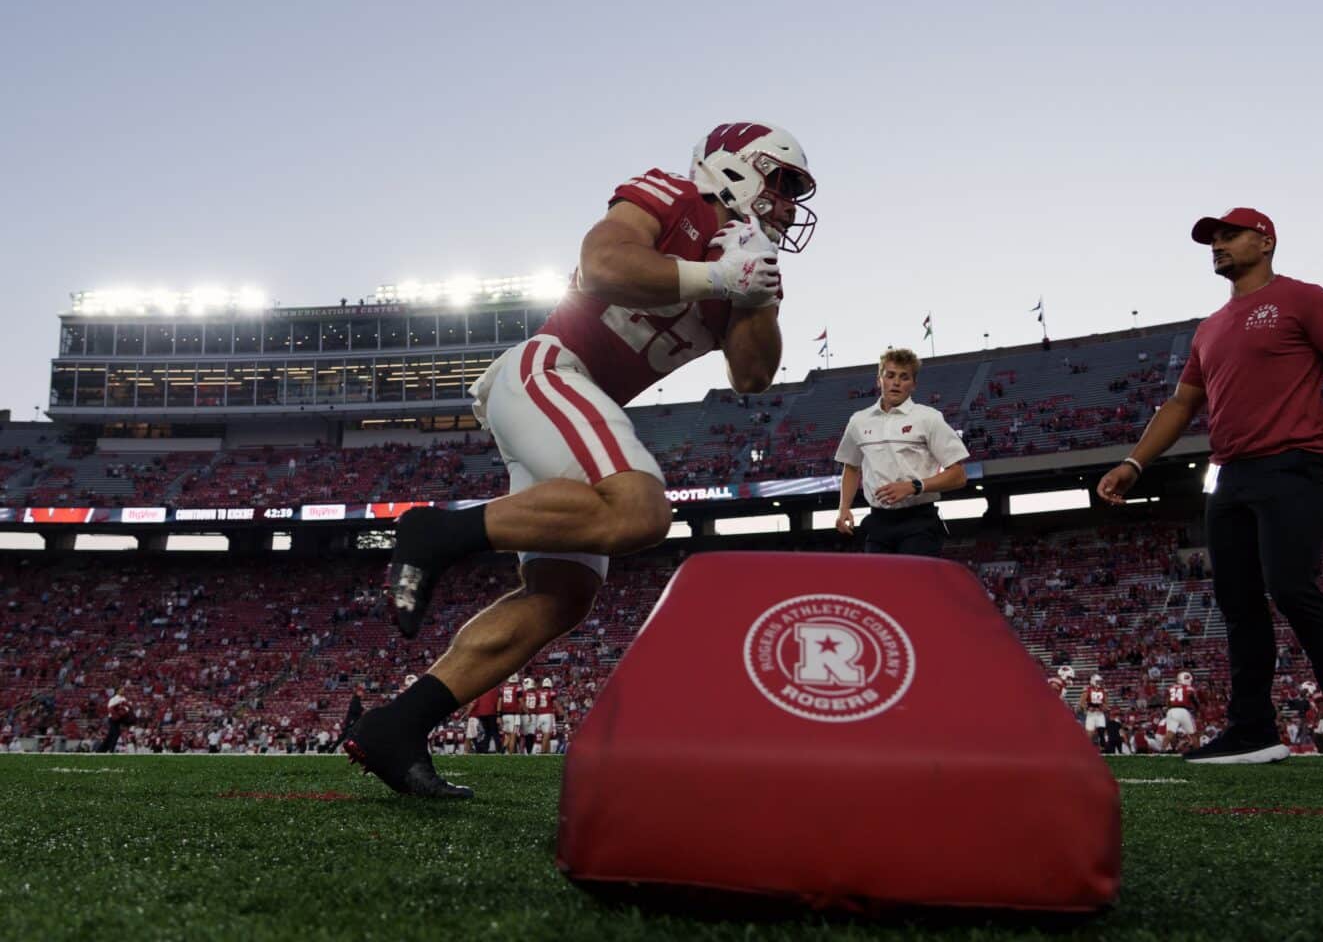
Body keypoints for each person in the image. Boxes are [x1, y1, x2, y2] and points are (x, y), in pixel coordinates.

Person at [345, 123, 816, 797]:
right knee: (640, 510)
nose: (790, 206)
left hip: (572, 396)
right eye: (784, 184)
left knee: (560, 598)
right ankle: (436, 532)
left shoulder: (743, 263)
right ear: (737, 170)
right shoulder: (674, 196)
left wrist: (754, 295)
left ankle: (399, 725)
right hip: (551, 368)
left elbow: (752, 375)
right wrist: (715, 272)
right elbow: (603, 265)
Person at [1096, 206, 1323, 771]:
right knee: (1237, 604)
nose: (1217, 245)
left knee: (1290, 586)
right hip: (1231, 473)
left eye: (1229, 235)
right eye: (1213, 239)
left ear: (1265, 240)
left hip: (1298, 462)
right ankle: (1253, 730)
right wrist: (1134, 463)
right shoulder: (1209, 328)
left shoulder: (1303, 298)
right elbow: (1182, 404)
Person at [834, 348, 969, 555]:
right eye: (890, 375)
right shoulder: (858, 421)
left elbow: (958, 475)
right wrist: (844, 507)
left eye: (904, 377)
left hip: (919, 522)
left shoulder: (928, 418)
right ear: (879, 380)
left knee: (915, 586)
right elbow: (851, 467)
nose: (896, 382)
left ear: (913, 384)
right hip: (878, 523)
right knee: (878, 588)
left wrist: (914, 486)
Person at [95, 686, 133, 753]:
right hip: (113, 718)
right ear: (117, 691)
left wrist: (125, 711)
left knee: (110, 735)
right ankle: (111, 750)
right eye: (121, 689)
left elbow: (126, 708)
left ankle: (100, 750)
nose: (123, 690)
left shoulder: (124, 698)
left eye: (123, 689)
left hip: (119, 719)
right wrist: (116, 715)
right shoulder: (114, 699)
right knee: (116, 733)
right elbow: (109, 708)